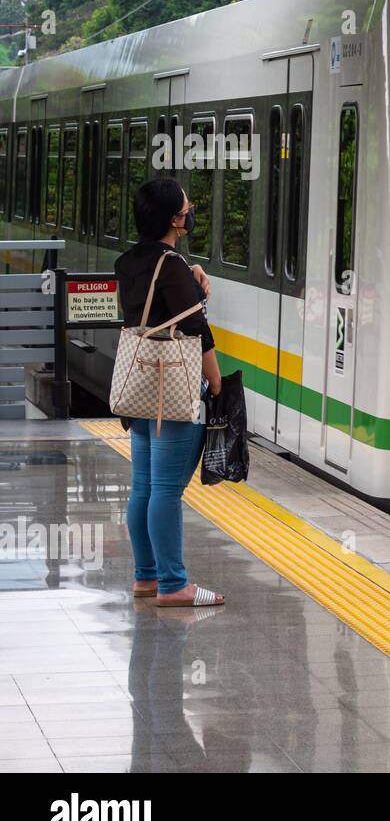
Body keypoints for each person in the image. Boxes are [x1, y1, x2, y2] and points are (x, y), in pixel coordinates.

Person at [114, 177, 225, 607]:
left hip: (141, 387)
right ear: (173, 219)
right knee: (165, 490)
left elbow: (157, 304)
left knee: (143, 485)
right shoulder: (171, 265)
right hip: (173, 391)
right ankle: (175, 584)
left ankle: (146, 577)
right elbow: (196, 329)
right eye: (185, 207)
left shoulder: (130, 262)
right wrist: (214, 383)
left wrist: (190, 274)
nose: (190, 210)